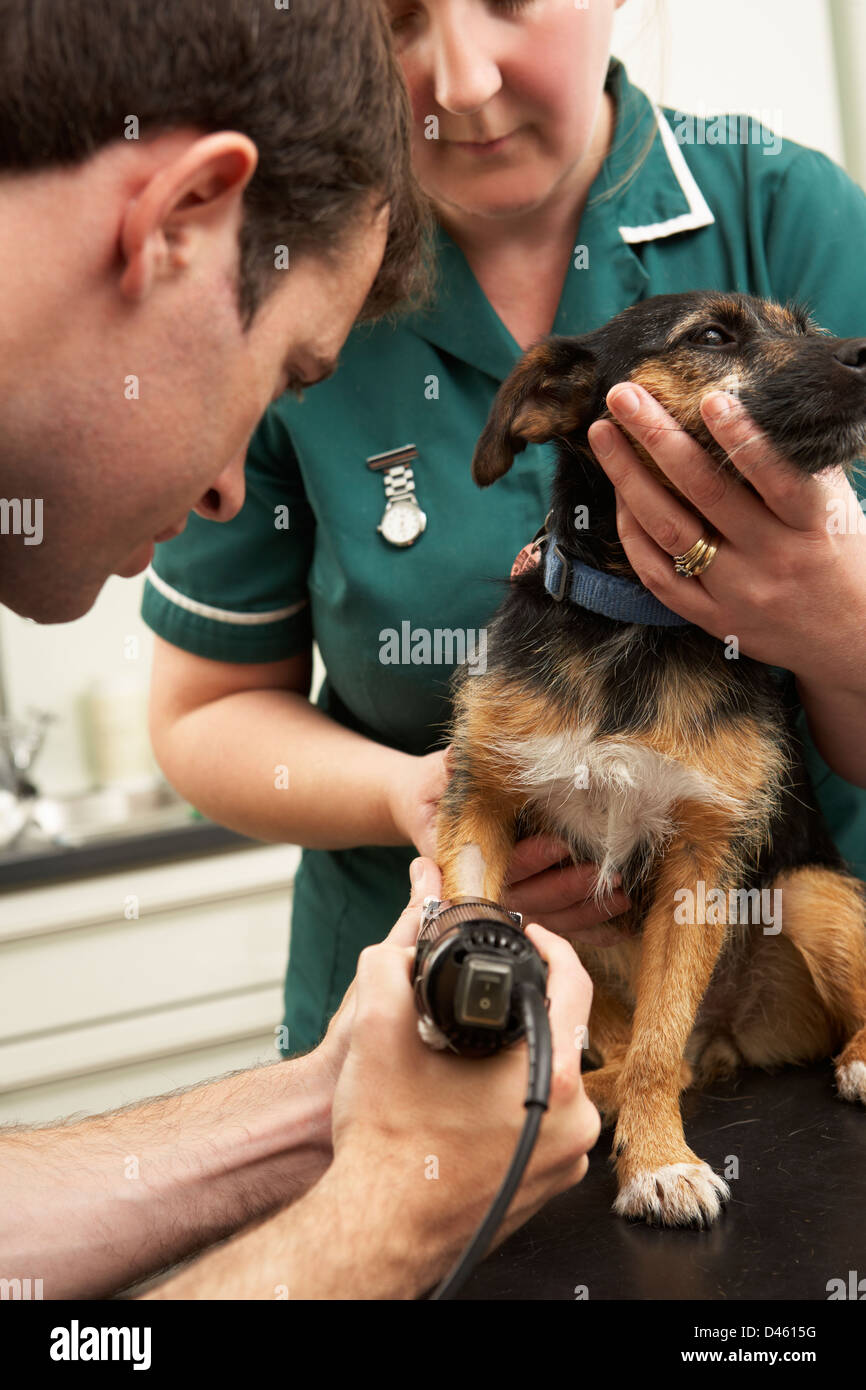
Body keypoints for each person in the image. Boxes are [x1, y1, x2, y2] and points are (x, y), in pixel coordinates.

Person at [0, 0, 600, 1301]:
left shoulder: (789, 209)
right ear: (180, 223)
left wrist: (322, 1109)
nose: (229, 488)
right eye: (286, 373)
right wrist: (389, 1214)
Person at [144, 0, 866, 1066]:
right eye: (392, 20)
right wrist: (411, 797)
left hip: (774, 1007)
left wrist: (836, 627)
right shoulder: (279, 267)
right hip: (431, 1009)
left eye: (510, 1)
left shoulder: (783, 211)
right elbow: (202, 712)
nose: (464, 82)